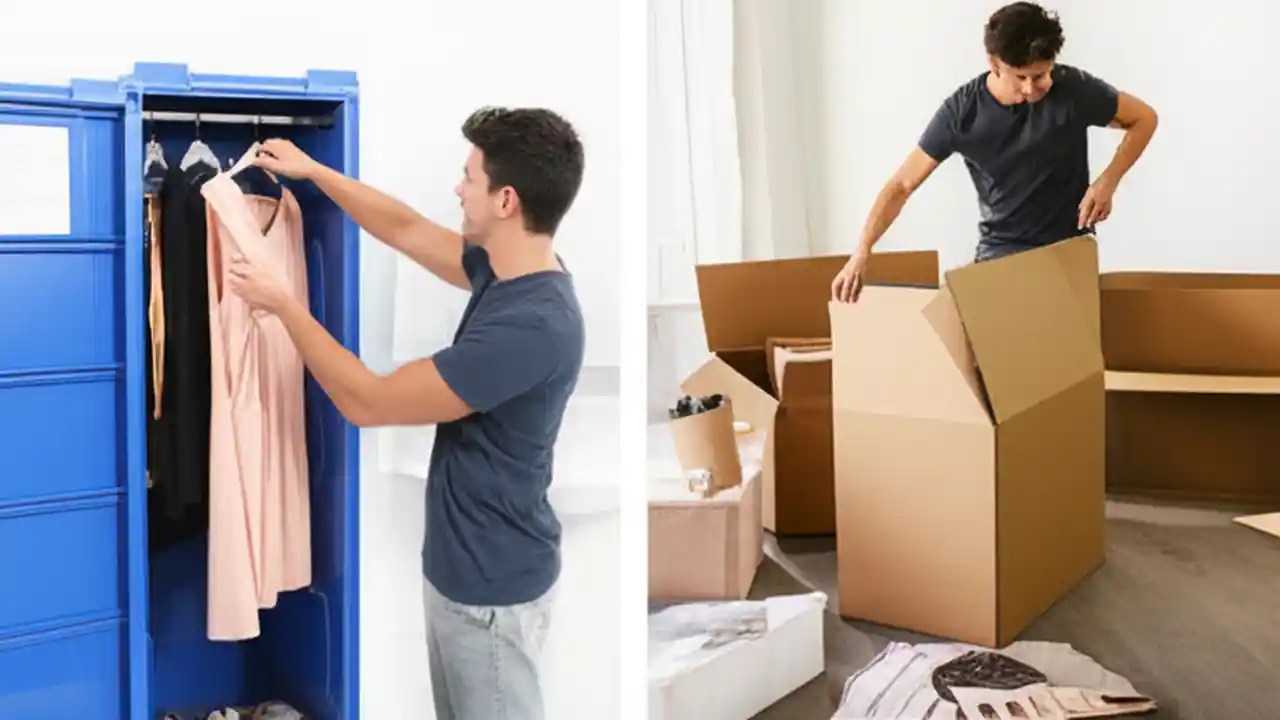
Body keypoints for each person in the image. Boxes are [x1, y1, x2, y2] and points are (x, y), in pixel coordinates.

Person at [227, 106, 586, 719]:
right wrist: (315, 172)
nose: (457, 187)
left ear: (506, 201)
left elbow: (368, 401)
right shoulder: (508, 274)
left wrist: (284, 305)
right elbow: (408, 230)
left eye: (469, 176)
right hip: (465, 576)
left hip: (491, 598)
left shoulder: (531, 326)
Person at [831, 1, 1158, 302]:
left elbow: (1144, 118)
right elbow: (902, 184)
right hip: (1000, 255)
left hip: (1068, 252)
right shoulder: (962, 113)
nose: (1031, 89)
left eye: (1040, 76)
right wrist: (861, 253)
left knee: (1066, 363)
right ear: (994, 63)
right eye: (1020, 78)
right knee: (989, 359)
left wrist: (1108, 181)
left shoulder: (1074, 89)